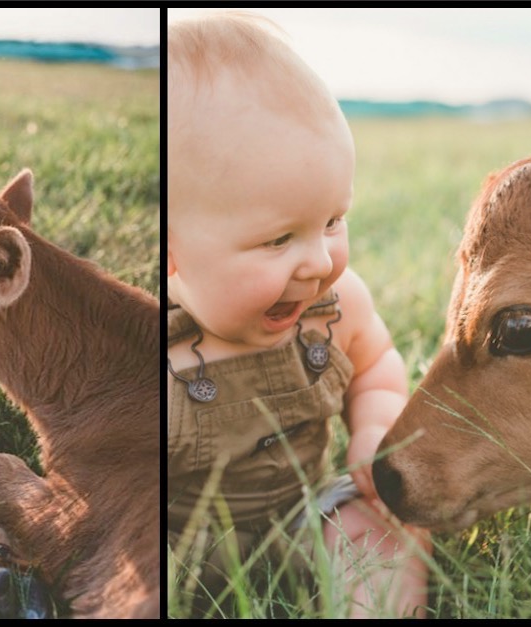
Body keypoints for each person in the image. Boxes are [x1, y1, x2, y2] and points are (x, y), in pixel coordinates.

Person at [167, 12, 430, 618]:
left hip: (308, 512)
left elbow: (378, 366)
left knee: (381, 526)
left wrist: (374, 430)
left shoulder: (337, 310)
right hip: (178, 543)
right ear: (173, 253)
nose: (318, 262)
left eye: (333, 221)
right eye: (279, 238)